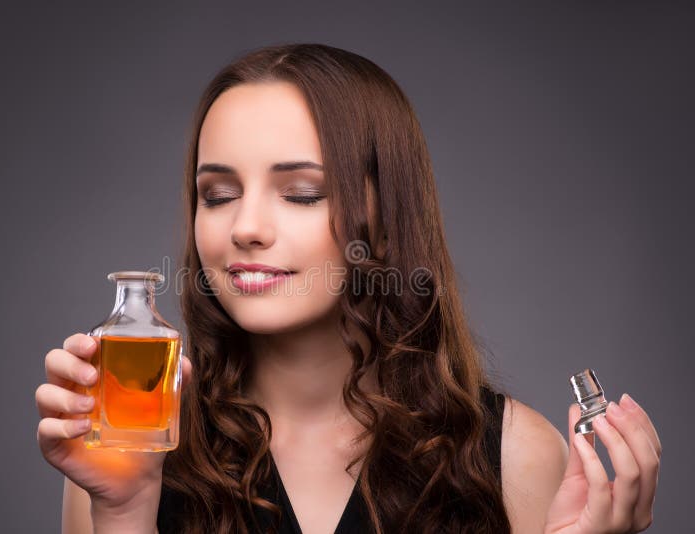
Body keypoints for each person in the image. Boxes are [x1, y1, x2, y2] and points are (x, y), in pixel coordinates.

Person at [35, 43, 661, 534]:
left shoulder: (514, 454)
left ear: (386, 218)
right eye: (217, 195)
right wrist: (125, 511)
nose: (245, 228)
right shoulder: (121, 443)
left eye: (302, 193)